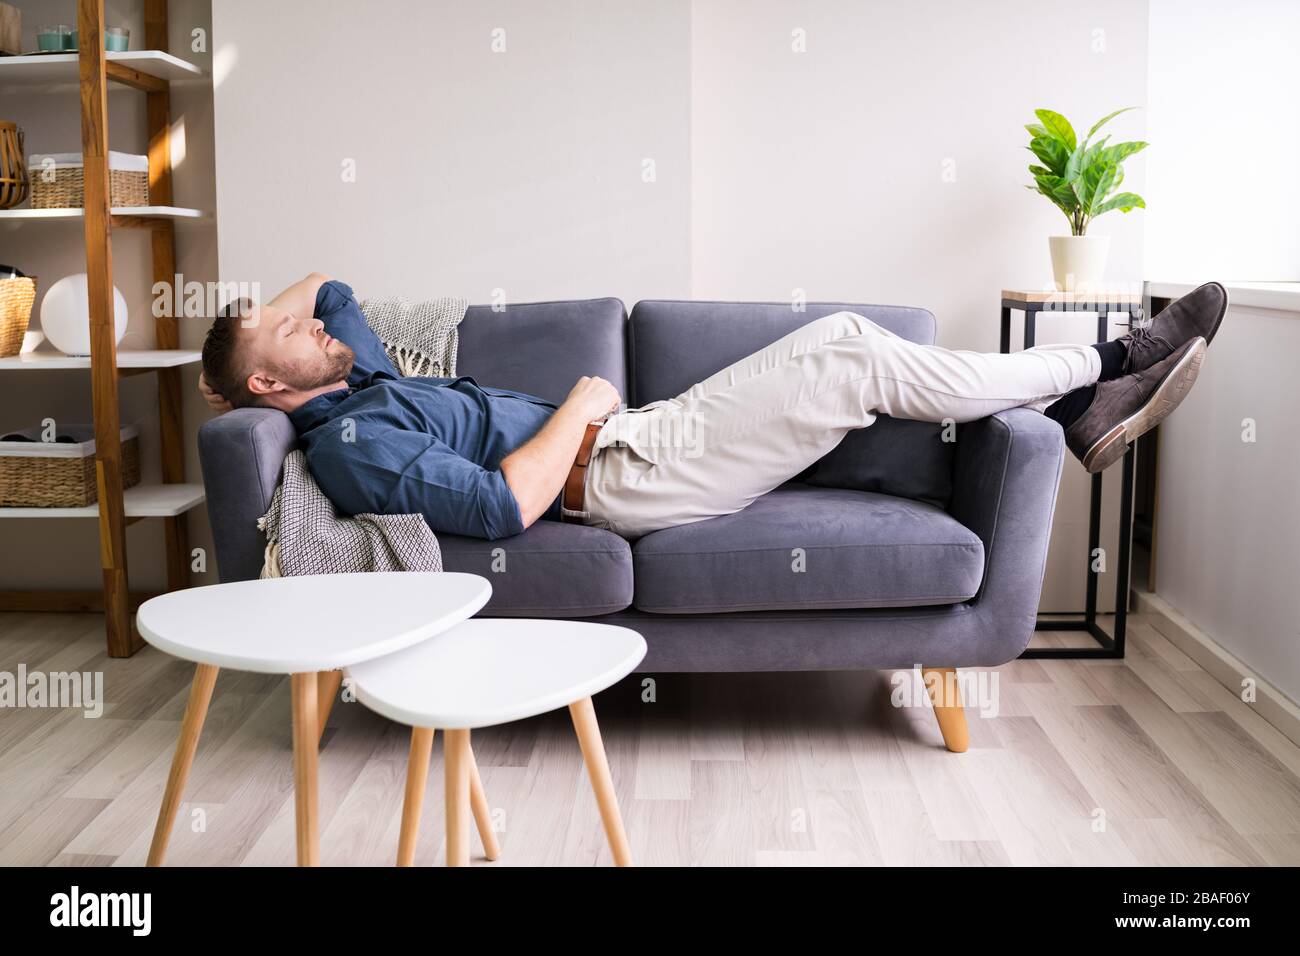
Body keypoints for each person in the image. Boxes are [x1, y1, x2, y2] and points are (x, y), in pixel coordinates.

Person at [199, 275, 1223, 540]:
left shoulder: (360, 376)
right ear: (268, 391)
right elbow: (502, 507)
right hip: (617, 476)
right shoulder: (355, 442)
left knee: (843, 342)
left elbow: (328, 288)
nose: (318, 327)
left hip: (639, 437)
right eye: (285, 339)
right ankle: (1106, 362)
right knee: (855, 351)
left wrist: (259, 332)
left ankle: (1086, 399)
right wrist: (584, 403)